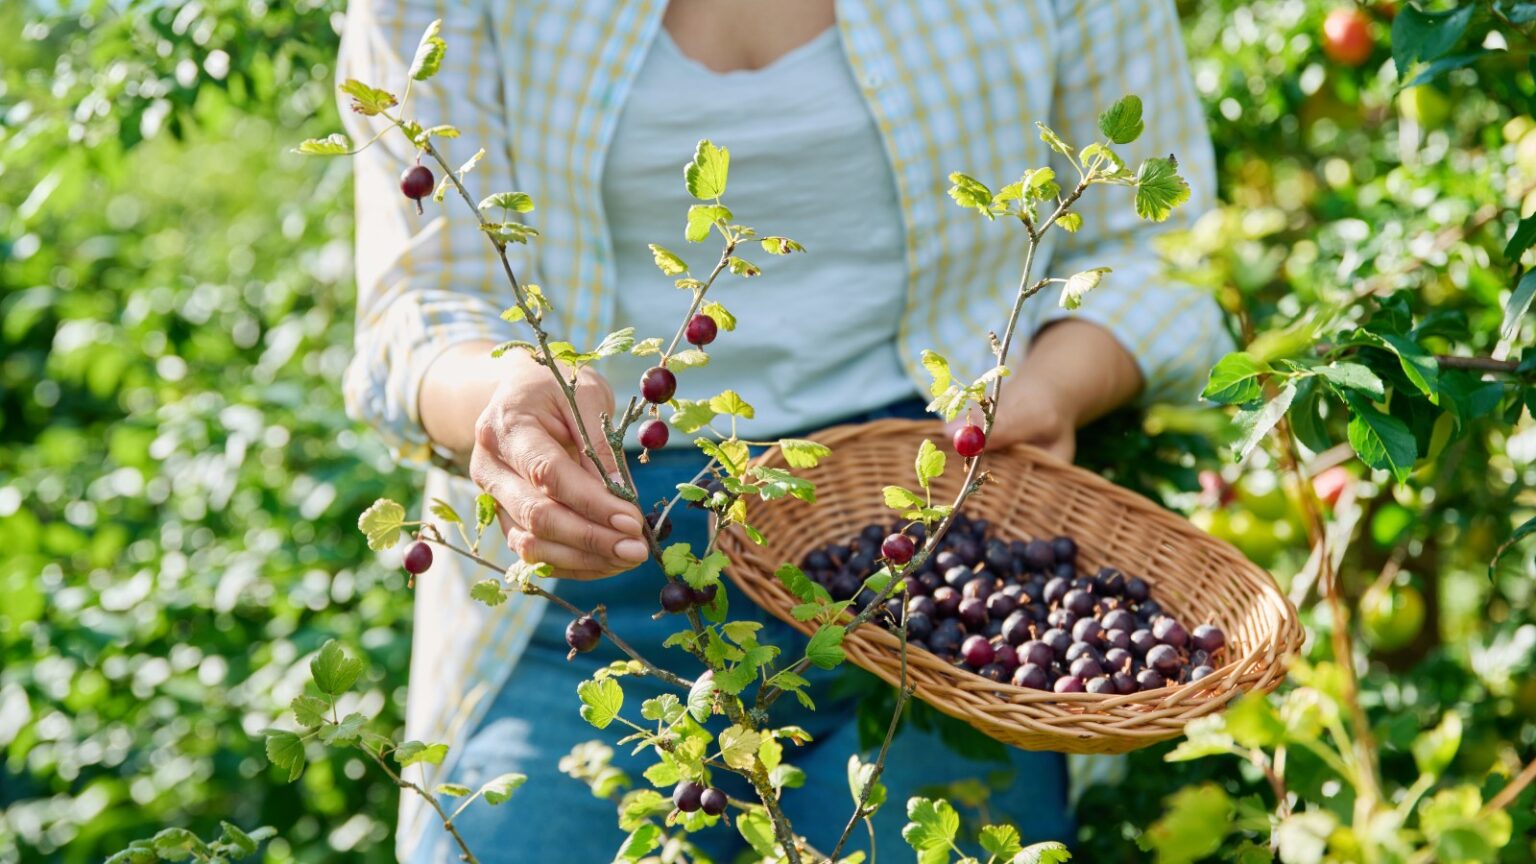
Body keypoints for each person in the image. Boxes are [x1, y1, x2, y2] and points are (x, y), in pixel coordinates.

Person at [337, 0, 1226, 860]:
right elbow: (419, 305)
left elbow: (1162, 253)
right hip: (600, 555)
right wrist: (513, 399)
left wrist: (1052, 389)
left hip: (936, 556)